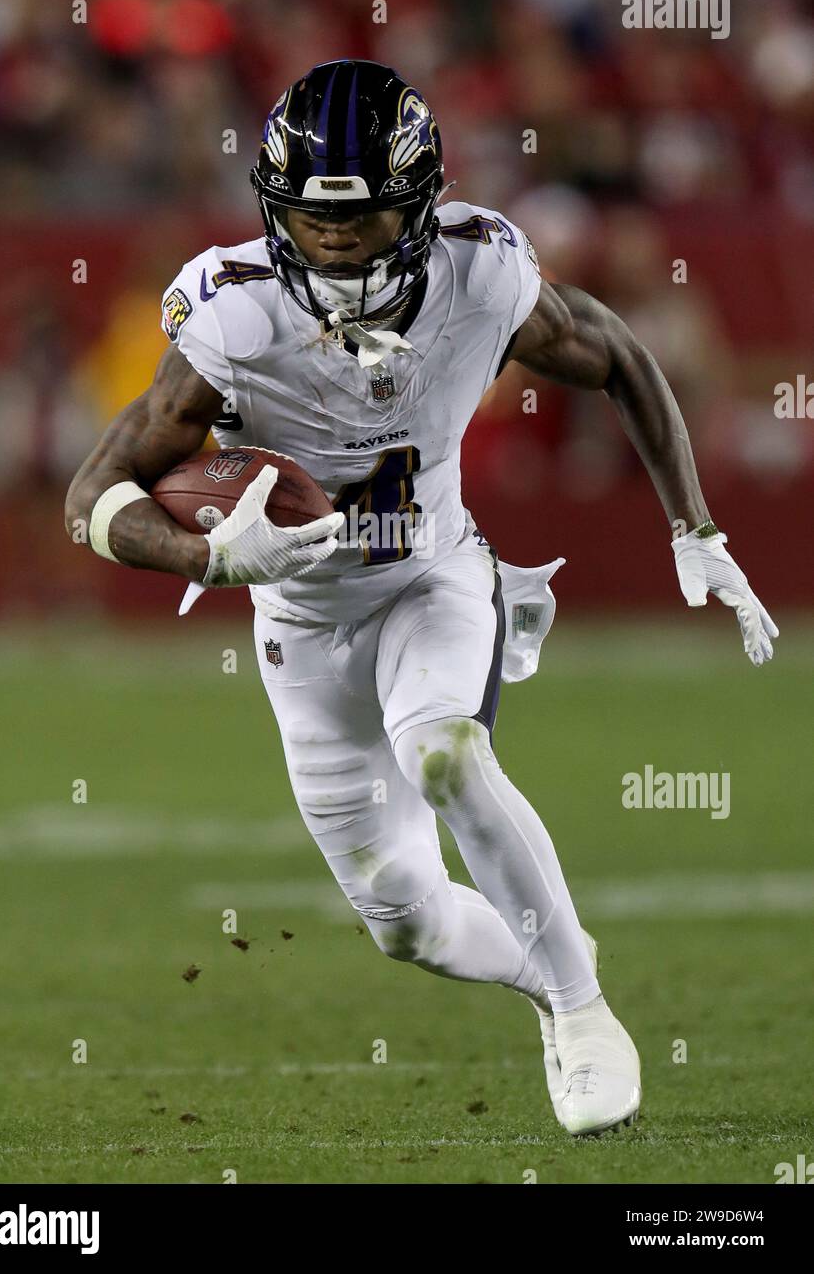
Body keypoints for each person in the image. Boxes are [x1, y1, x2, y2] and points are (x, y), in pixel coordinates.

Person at [66, 59, 777, 1136]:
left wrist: (695, 525)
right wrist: (211, 561)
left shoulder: (479, 274)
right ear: (272, 209)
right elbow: (90, 496)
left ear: (420, 201)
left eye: (362, 218)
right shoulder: (231, 321)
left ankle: (583, 1012)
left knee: (444, 752)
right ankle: (552, 977)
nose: (336, 242)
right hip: (302, 631)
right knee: (403, 921)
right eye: (309, 221)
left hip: (433, 577)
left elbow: (617, 353)